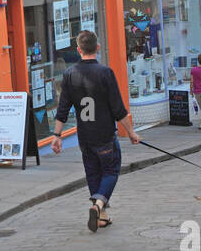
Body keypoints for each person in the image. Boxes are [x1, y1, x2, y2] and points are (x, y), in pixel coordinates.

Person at [51, 31, 141, 232]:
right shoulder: (105, 73)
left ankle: (102, 216)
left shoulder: (69, 74)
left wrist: (57, 136)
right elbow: (118, 109)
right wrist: (132, 133)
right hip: (104, 134)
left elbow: (63, 108)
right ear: (97, 48)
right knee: (110, 170)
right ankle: (98, 205)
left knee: (93, 173)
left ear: (78, 50)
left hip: (84, 135)